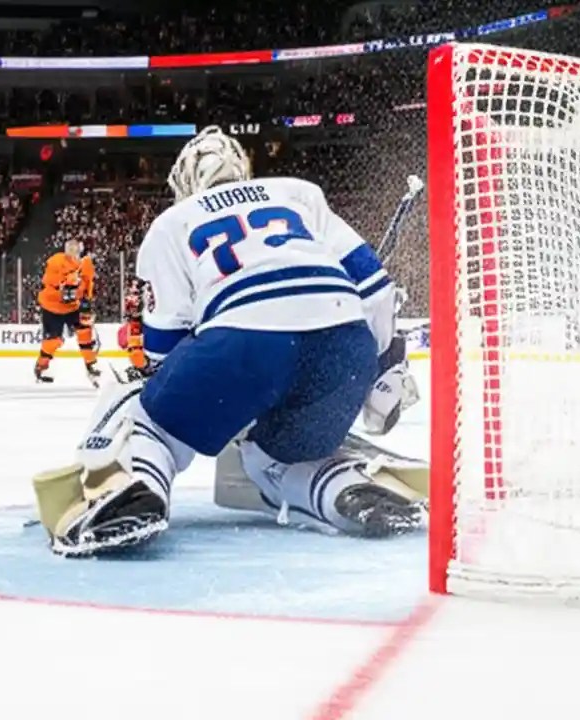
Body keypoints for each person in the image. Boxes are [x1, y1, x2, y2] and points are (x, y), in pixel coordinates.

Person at [31, 127, 423, 556]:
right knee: (277, 455)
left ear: (185, 182)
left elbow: (163, 349)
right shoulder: (298, 193)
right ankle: (339, 489)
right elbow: (377, 290)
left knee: (147, 416)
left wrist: (219, 391)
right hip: (344, 346)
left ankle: (135, 484)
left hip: (244, 340)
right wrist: (379, 365)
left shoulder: (173, 223)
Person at [35, 239, 100, 384]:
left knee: (85, 332)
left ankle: (91, 364)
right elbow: (49, 281)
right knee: (54, 340)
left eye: (76, 249)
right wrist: (66, 281)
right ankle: (41, 365)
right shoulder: (56, 261)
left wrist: (87, 300)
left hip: (74, 306)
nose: (73, 252)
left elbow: (88, 282)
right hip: (53, 307)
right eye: (70, 249)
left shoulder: (85, 264)